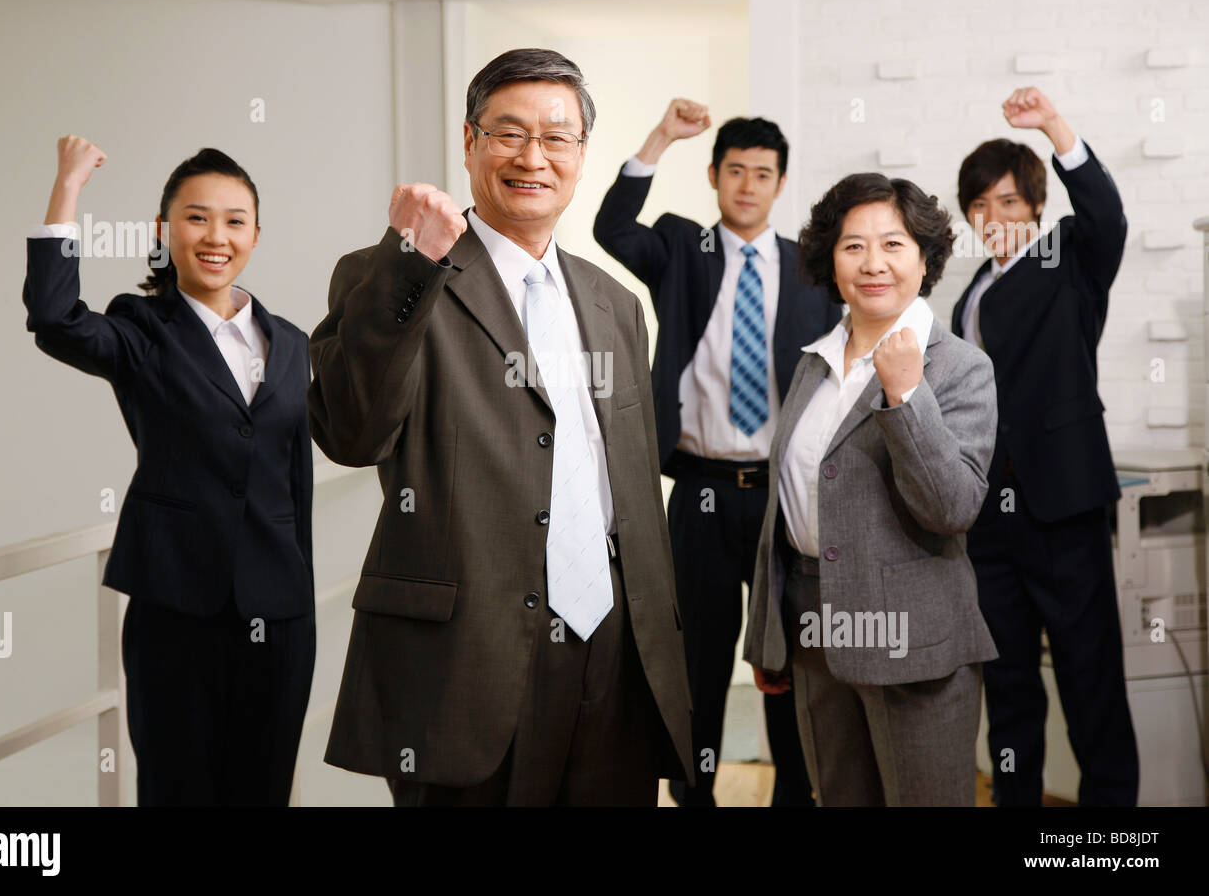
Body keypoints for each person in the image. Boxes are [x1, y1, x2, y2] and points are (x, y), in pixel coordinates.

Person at [309, 48, 692, 806]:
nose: (533, 157)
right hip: (469, 659)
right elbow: (352, 435)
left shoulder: (615, 302)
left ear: (582, 156)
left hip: (616, 650)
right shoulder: (394, 274)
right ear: (470, 142)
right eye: (509, 133)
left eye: (557, 138)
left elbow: (633, 483)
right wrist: (411, 260)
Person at [23, 138, 316, 805]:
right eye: (197, 217)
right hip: (174, 609)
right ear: (164, 230)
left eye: (235, 220)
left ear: (256, 235)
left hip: (280, 617)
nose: (217, 236)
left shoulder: (292, 344)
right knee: (175, 792)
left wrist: (299, 595)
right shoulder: (142, 328)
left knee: (264, 794)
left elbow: (294, 484)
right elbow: (54, 318)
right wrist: (68, 184)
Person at [594, 102, 836, 806]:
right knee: (695, 655)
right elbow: (611, 228)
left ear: (780, 183)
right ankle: (692, 794)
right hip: (698, 490)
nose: (748, 185)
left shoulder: (813, 270)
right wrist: (661, 136)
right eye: (736, 171)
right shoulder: (680, 251)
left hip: (780, 498)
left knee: (787, 655)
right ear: (714, 176)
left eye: (763, 174)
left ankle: (797, 793)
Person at [744, 172, 999, 806]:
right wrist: (768, 632)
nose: (873, 263)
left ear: (925, 258)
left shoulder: (961, 367)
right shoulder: (814, 361)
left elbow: (952, 508)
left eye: (893, 244)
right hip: (812, 633)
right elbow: (787, 504)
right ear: (831, 260)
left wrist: (907, 395)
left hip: (913, 642)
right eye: (853, 246)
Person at [950, 87, 1139, 806]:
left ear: (1033, 206)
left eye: (1004, 202)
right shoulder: (972, 288)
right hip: (989, 522)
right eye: (978, 206)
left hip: (1061, 506)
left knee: (1091, 679)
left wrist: (1053, 128)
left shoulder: (1071, 262)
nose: (990, 218)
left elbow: (1106, 215)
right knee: (1009, 687)